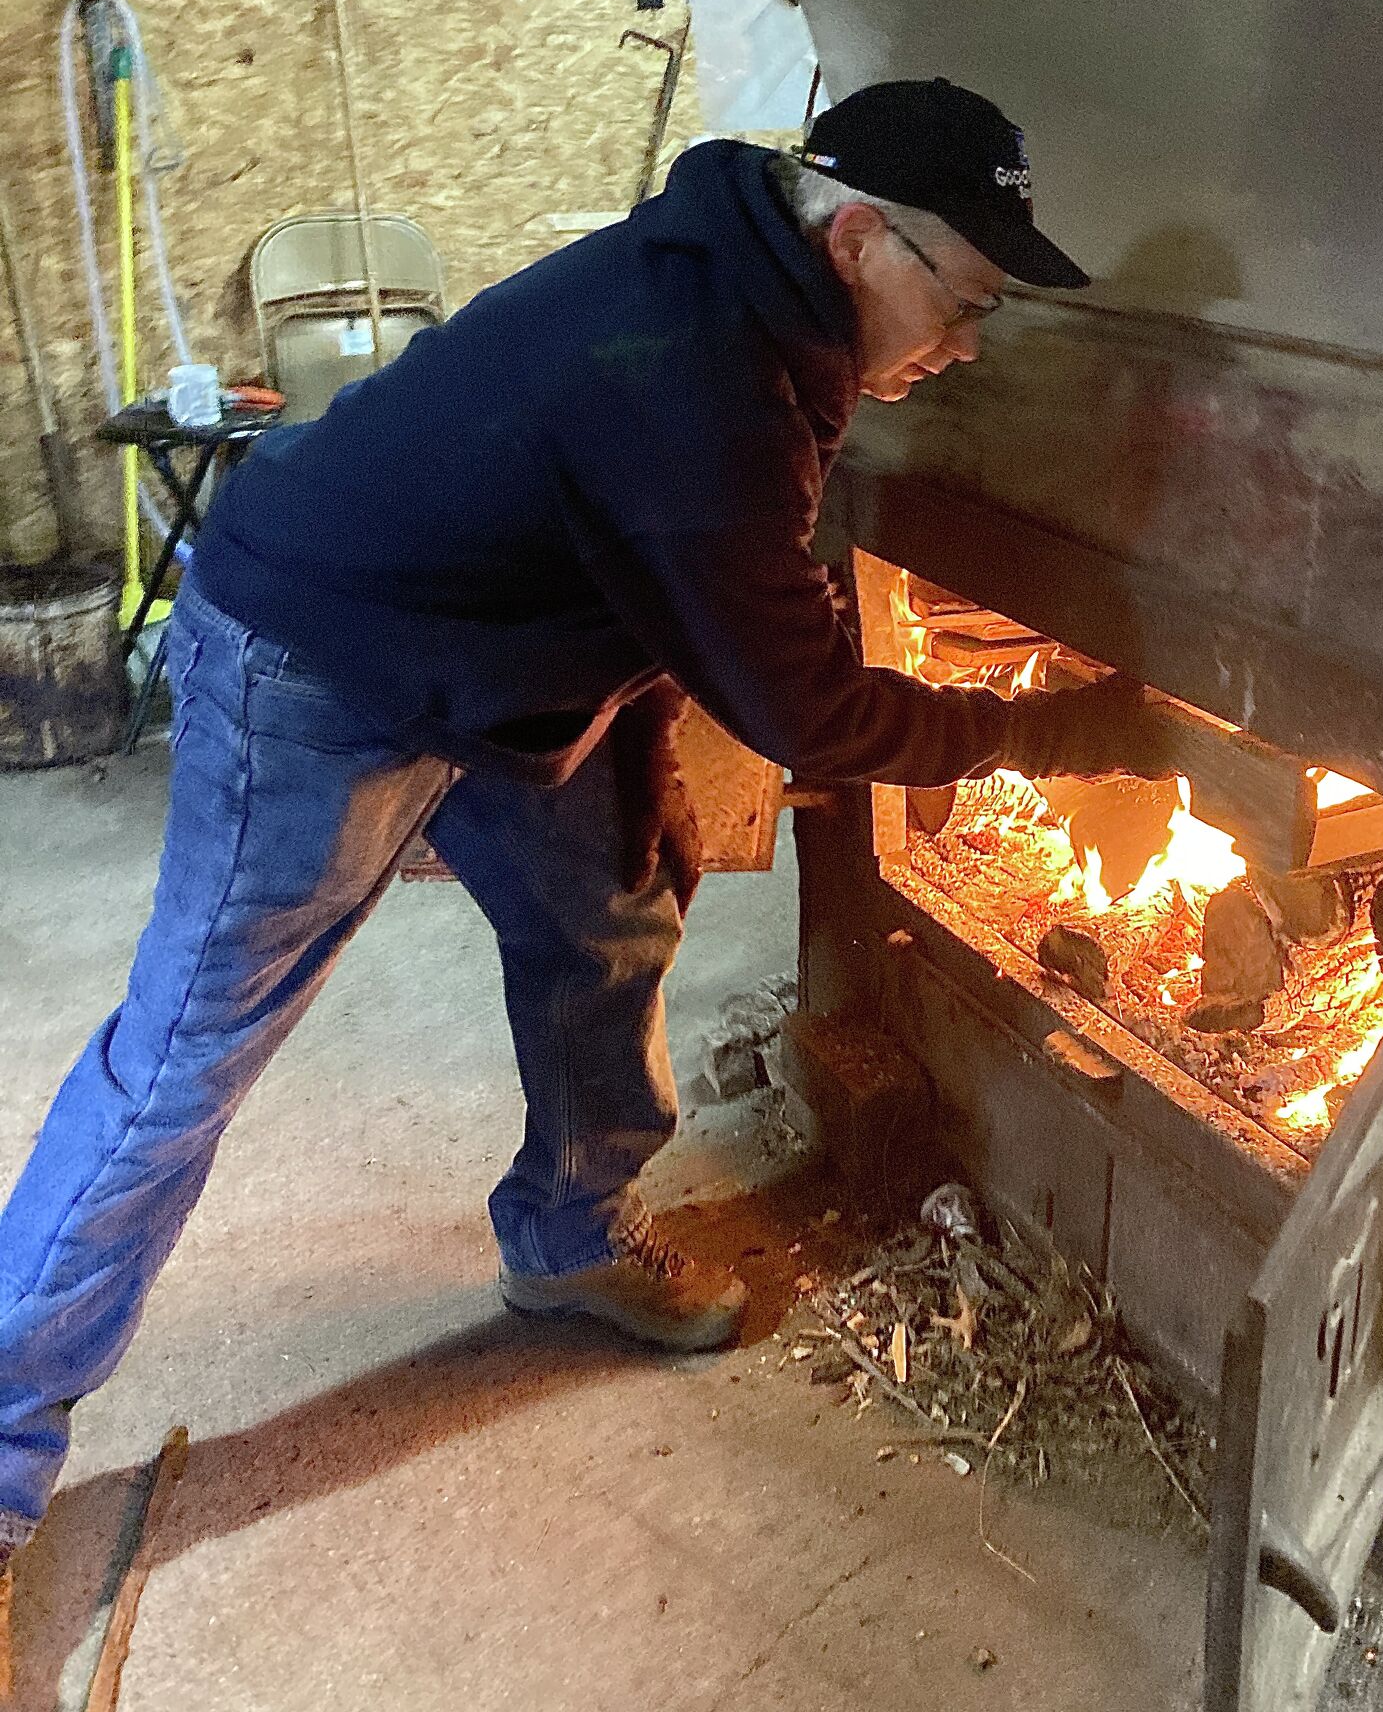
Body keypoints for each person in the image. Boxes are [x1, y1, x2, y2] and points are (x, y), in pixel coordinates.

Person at [0, 76, 1177, 1574]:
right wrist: (1052, 735)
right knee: (186, 1053)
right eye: (966, 298)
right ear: (866, 234)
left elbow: (697, 568)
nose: (960, 346)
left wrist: (647, 748)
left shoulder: (754, 281)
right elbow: (812, 714)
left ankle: (566, 1235)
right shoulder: (704, 377)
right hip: (317, 650)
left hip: (504, 643)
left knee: (611, 917)